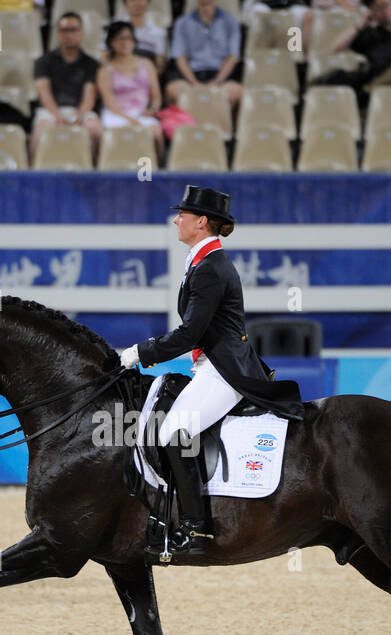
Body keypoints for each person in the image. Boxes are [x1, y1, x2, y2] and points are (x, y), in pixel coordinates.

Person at [118, 186, 305, 557]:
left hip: (224, 371)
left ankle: (196, 527)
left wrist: (141, 352)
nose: (176, 220)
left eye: (182, 216)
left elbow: (191, 333)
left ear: (200, 222)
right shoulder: (203, 262)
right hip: (211, 365)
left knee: (174, 432)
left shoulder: (211, 268)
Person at [323, 0, 391, 97]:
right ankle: (372, 90)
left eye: (386, 5)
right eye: (378, 8)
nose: (384, 11)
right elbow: (337, 48)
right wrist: (361, 25)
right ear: (373, 13)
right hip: (380, 81)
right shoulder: (372, 34)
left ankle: (369, 91)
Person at [32, 13, 103, 162]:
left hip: (81, 111)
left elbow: (89, 95)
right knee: (41, 131)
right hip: (50, 110)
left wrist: (79, 116)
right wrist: (57, 116)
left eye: (73, 30)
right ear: (58, 33)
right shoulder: (43, 61)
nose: (69, 35)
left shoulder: (91, 63)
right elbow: (44, 94)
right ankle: (34, 172)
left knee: (94, 129)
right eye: (64, 30)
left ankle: (94, 173)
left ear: (81, 32)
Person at [98, 21, 164, 158]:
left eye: (128, 38)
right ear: (111, 42)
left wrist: (152, 109)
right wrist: (131, 121)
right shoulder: (105, 70)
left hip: (142, 113)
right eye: (119, 39)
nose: (124, 43)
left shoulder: (147, 64)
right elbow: (110, 103)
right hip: (116, 114)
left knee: (155, 132)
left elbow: (156, 95)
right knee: (125, 131)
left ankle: (157, 169)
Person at [165, 0, 243, 108]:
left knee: (235, 91)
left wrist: (217, 81)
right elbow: (180, 57)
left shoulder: (230, 20)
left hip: (221, 76)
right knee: (173, 89)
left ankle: (220, 122)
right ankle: (188, 123)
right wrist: (193, 83)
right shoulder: (182, 22)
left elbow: (233, 56)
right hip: (192, 75)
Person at [113, 0, 168, 71]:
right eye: (133, 0)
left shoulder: (159, 32)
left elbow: (159, 63)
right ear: (125, 3)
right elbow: (105, 57)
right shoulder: (113, 27)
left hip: (147, 75)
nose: (137, 3)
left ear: (148, 2)